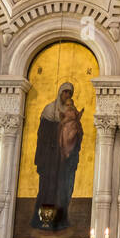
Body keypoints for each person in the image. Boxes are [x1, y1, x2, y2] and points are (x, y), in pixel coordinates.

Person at [30, 81, 84, 230]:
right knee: (47, 187)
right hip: (49, 157)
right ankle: (41, 219)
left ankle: (60, 220)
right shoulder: (49, 110)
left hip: (63, 160)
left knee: (62, 188)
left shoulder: (71, 112)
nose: (67, 95)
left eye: (69, 93)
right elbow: (42, 133)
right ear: (60, 93)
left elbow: (78, 134)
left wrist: (75, 132)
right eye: (65, 92)